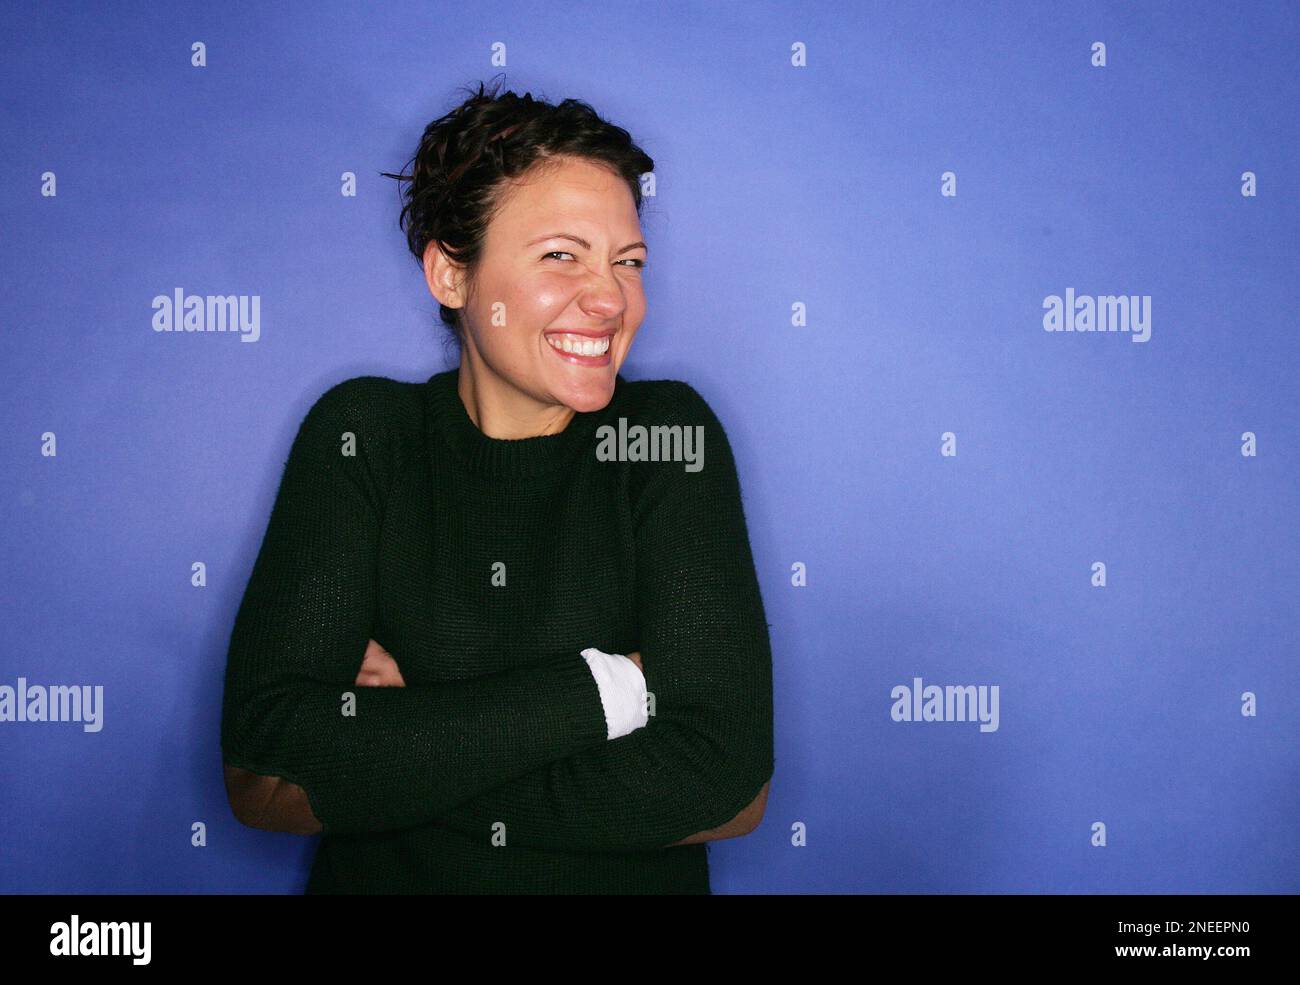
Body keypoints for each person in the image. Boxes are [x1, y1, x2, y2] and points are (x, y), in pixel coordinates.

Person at [220, 78, 775, 893]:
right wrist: (613, 688)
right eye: (562, 255)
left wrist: (403, 751)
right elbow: (267, 777)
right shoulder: (366, 436)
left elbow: (730, 788)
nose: (611, 298)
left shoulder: (664, 438)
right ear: (451, 274)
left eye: (628, 261)